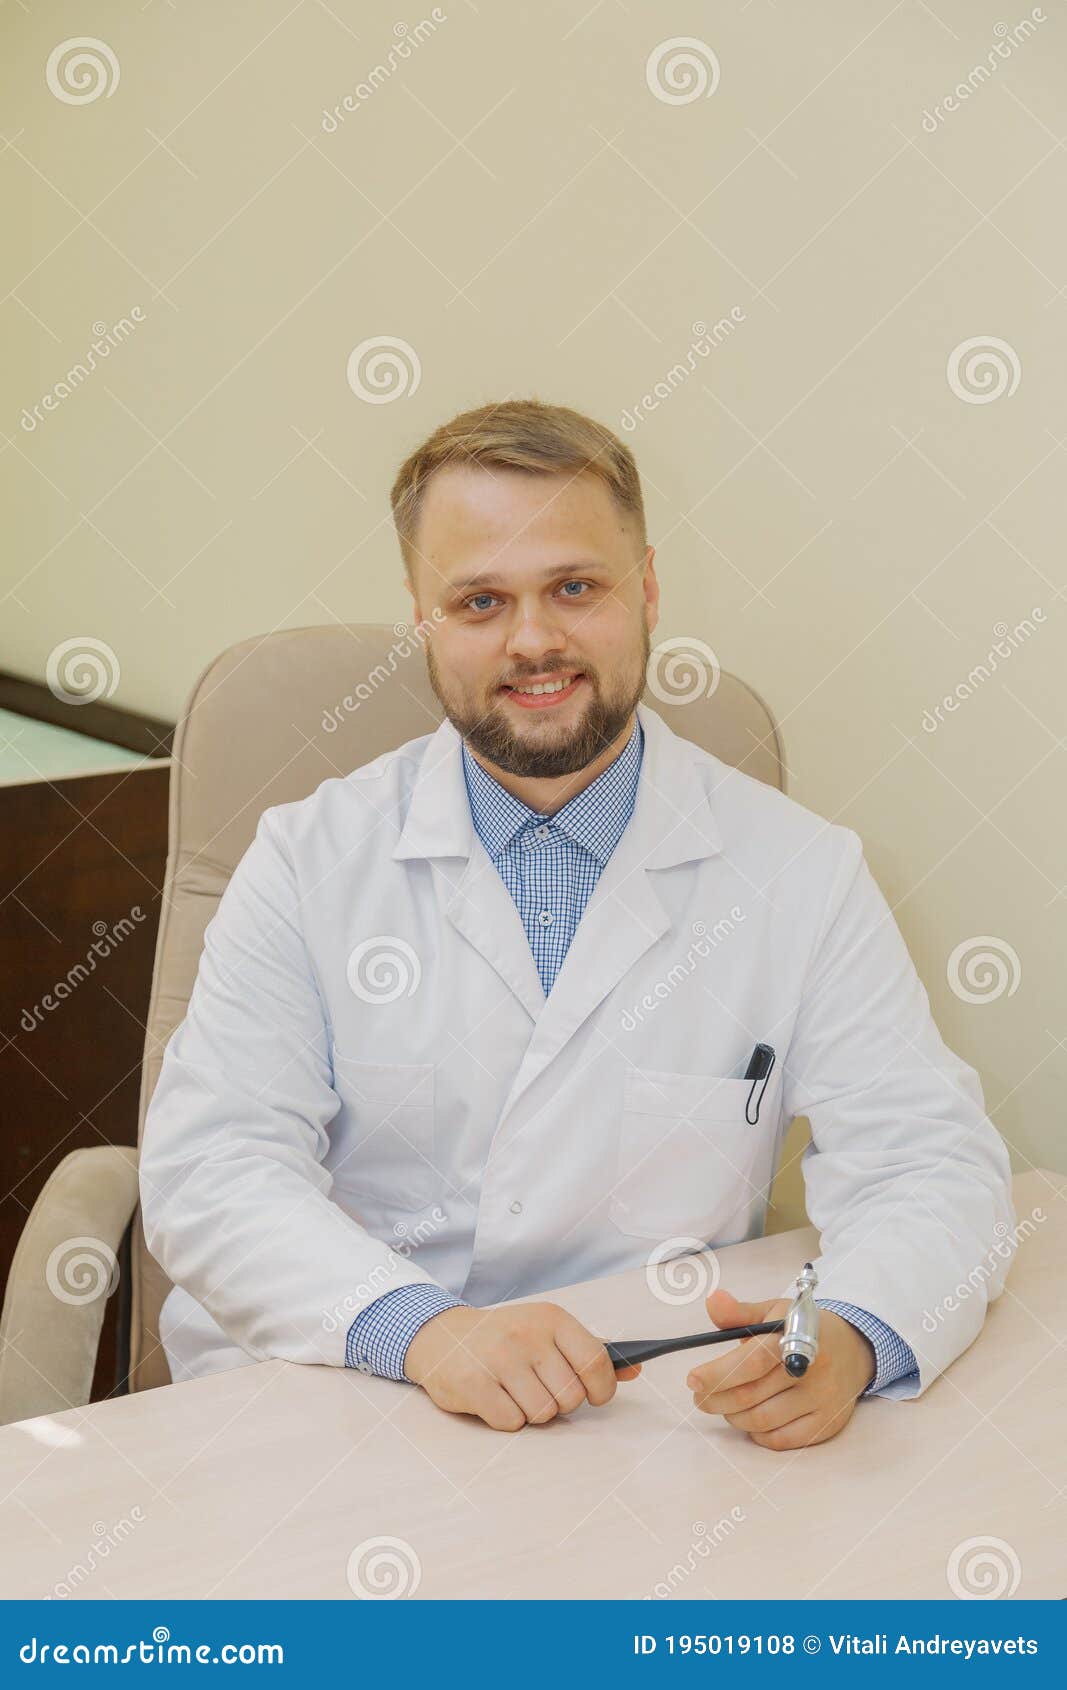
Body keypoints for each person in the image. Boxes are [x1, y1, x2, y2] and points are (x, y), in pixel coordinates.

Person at [139, 399, 1015, 1450]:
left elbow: (926, 1163)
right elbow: (215, 1166)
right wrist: (423, 1330)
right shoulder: (306, 860)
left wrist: (858, 1334)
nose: (533, 640)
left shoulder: (799, 871)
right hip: (336, 1401)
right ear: (421, 618)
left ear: (644, 589)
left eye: (574, 586)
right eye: (477, 601)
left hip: (646, 1421)